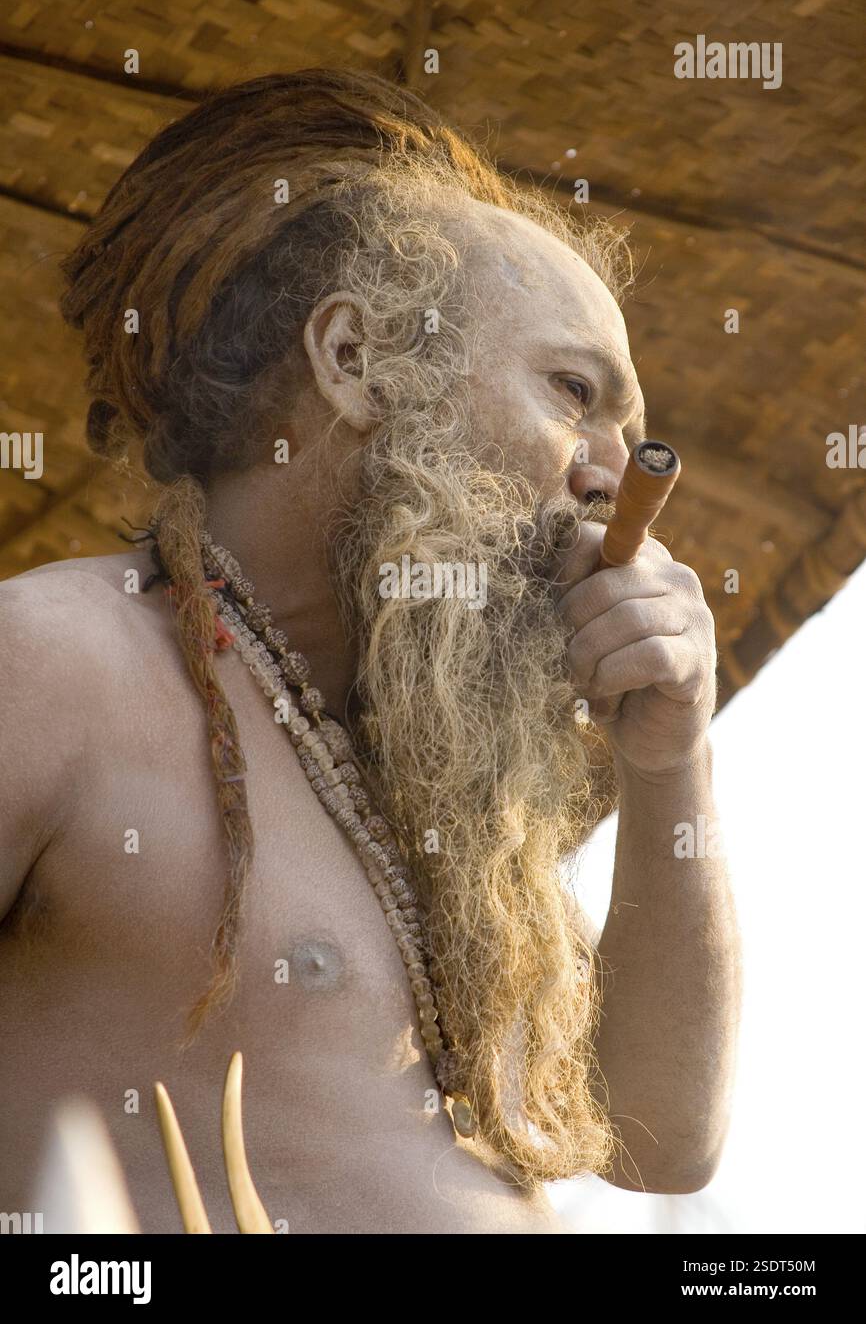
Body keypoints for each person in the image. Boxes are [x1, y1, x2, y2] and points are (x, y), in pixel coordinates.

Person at [0, 69, 739, 1234]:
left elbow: (664, 1141)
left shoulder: (453, 831)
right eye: (572, 390)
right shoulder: (52, 659)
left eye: (627, 435)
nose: (608, 474)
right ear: (354, 361)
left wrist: (667, 762)